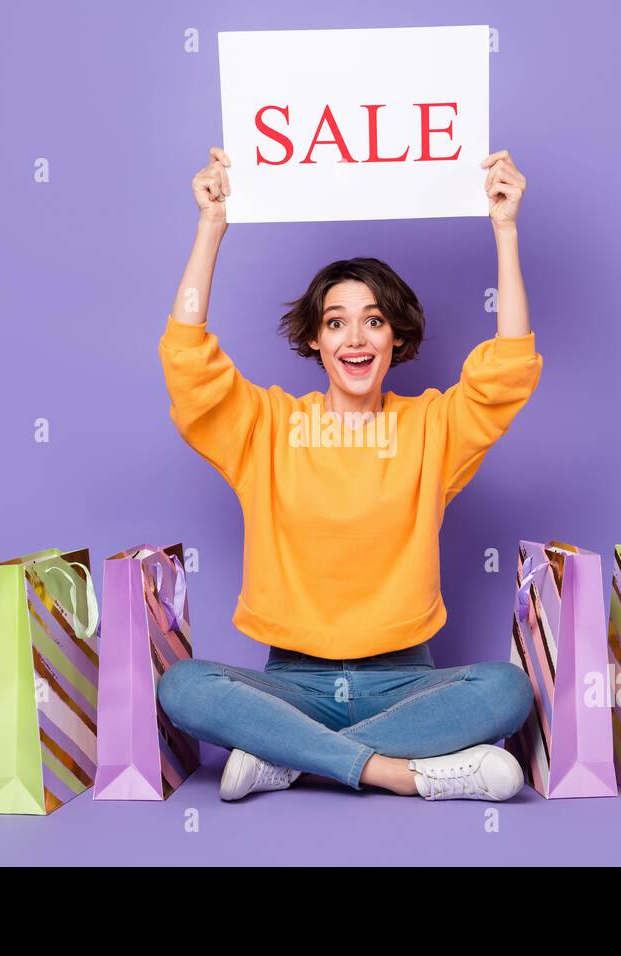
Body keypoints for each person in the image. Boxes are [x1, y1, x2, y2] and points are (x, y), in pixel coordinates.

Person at [156, 145, 543, 802]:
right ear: (315, 338)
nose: (355, 339)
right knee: (182, 687)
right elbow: (188, 364)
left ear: (397, 338)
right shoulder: (267, 427)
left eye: (374, 321)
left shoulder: (432, 428)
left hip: (405, 682)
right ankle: (395, 772)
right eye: (336, 323)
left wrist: (505, 230)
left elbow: (507, 368)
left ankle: (289, 759)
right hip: (292, 683)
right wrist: (211, 226)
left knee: (506, 691)